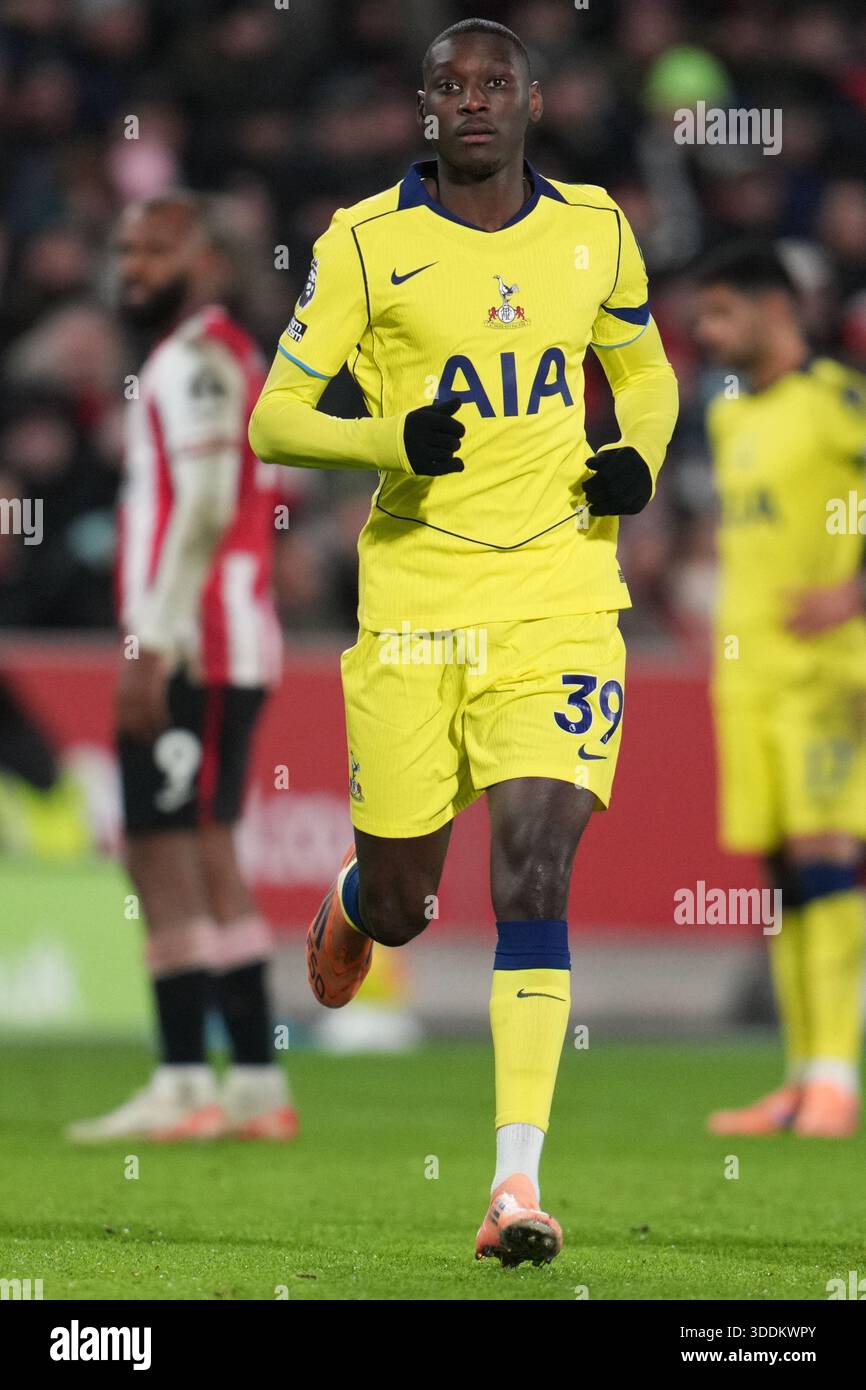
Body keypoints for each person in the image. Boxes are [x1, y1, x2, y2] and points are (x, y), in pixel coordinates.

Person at [250, 18, 678, 1263]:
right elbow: (279, 414)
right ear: (423, 106)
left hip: (560, 594)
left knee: (535, 871)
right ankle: (351, 900)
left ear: (533, 102)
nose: (474, 100)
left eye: (497, 82)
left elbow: (644, 372)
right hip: (417, 603)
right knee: (404, 905)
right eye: (452, 84)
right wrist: (391, 440)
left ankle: (514, 1188)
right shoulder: (363, 243)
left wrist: (635, 457)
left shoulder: (593, 226)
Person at [67, 193, 296, 1142]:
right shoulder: (206, 358)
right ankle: (249, 1086)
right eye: (123, 249)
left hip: (196, 643)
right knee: (201, 850)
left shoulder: (198, 362)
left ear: (207, 260)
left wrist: (151, 648)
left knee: (163, 854)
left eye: (155, 250)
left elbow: (203, 509)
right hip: (215, 640)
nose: (132, 267)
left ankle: (181, 1079)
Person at [696, 240, 866, 1139]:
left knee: (829, 863)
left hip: (826, 676)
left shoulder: (836, 401)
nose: (707, 331)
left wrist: (857, 588)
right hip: (749, 677)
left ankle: (838, 1075)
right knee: (783, 879)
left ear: (771, 308)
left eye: (722, 313)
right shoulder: (731, 418)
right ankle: (803, 1079)